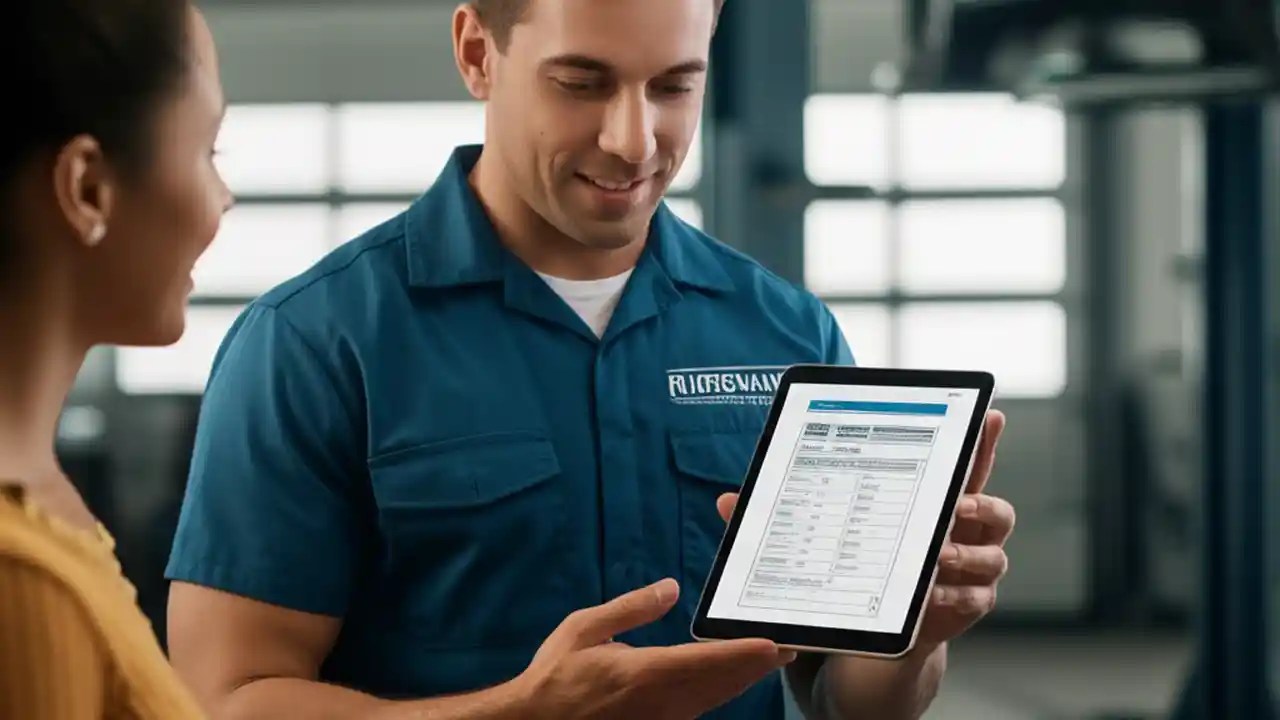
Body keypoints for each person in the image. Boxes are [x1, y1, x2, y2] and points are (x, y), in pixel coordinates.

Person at [164, 0, 1017, 717]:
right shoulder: (314, 343)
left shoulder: (789, 335)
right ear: (477, 53)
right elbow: (228, 698)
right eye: (582, 83)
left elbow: (837, 694)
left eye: (675, 86)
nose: (634, 141)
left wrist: (914, 635)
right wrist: (515, 715)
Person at [0, 0, 232, 717]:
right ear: (87, 189)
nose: (223, 198)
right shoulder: (20, 582)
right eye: (207, 152)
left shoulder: (46, 516)